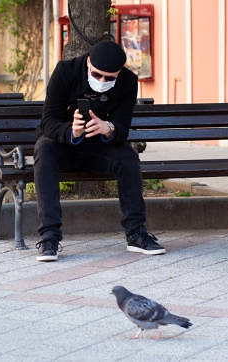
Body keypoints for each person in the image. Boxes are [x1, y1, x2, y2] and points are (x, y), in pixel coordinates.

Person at [33, 40, 165, 262]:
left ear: (119, 73)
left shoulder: (128, 82)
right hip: (63, 146)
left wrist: (109, 128)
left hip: (98, 149)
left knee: (128, 157)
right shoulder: (66, 71)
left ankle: (136, 233)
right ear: (88, 63)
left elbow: (122, 127)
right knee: (44, 148)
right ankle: (49, 237)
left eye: (110, 78)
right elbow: (47, 121)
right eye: (97, 75)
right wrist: (71, 131)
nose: (102, 81)